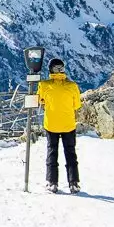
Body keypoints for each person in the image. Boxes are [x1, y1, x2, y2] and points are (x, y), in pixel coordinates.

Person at [38, 57, 82, 193]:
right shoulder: (72, 86)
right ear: (63, 70)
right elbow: (77, 105)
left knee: (52, 152)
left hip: (51, 124)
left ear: (50, 70)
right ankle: (73, 183)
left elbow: (40, 100)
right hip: (68, 124)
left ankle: (52, 183)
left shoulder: (44, 85)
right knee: (70, 153)